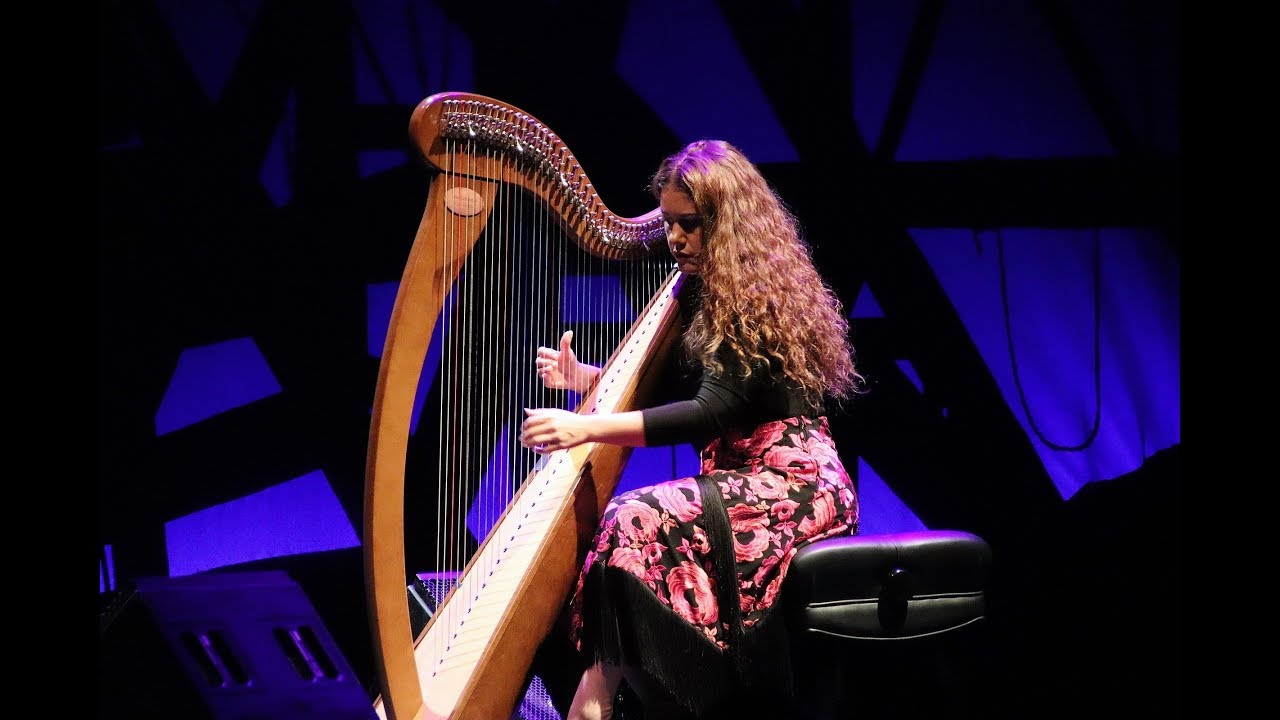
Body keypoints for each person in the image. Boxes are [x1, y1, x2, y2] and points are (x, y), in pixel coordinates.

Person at [520, 139, 864, 720]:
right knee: (634, 525)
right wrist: (587, 378)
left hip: (793, 486)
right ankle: (605, 700)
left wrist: (588, 428)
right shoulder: (707, 295)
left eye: (691, 224)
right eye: (670, 224)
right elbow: (688, 396)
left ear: (727, 226)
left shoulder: (753, 299)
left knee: (633, 516)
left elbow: (708, 412)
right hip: (742, 483)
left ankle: (600, 704)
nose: (675, 238)